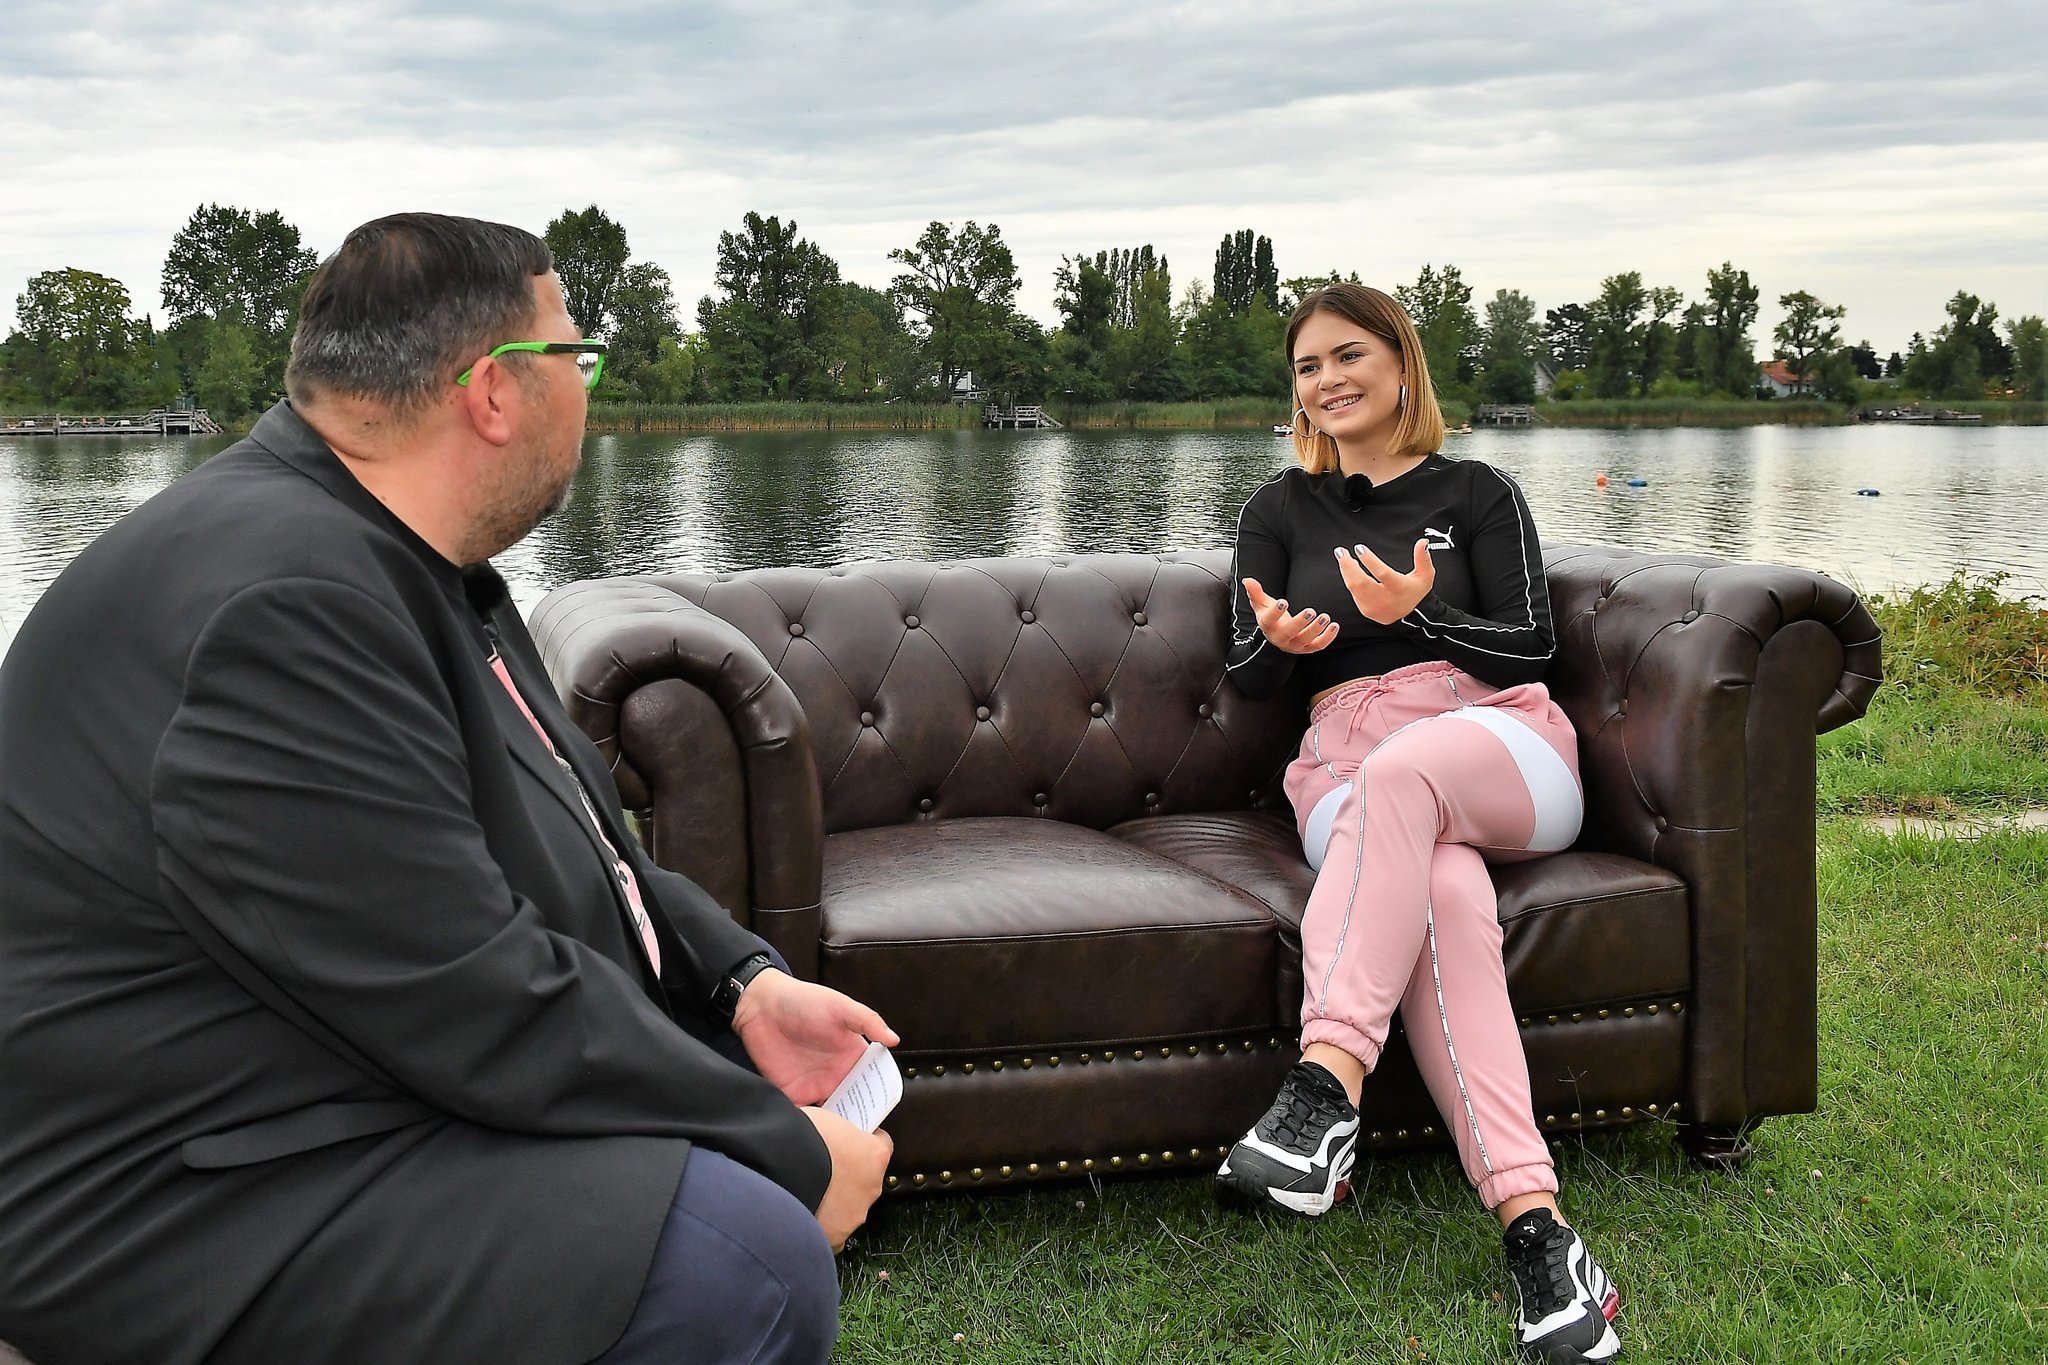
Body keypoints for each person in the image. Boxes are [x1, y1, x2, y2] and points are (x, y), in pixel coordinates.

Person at [0, 213, 894, 1365]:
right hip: (164, 1185)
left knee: (718, 1109)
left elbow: (578, 842)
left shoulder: (405, 561)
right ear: (492, 393)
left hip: (305, 1070)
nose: (590, 387)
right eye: (575, 356)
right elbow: (466, 991)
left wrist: (739, 987)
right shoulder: (283, 606)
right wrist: (787, 1149)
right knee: (740, 1261)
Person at [1213, 284, 1622, 1364]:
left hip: (1491, 739)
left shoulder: (1478, 492)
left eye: (1346, 356)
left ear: (1401, 364)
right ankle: (1539, 1235)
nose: (1325, 381)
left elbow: (1530, 647)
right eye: (1305, 368)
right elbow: (1246, 675)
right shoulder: (1277, 510)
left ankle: (1324, 1086)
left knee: (1409, 773)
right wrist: (1286, 645)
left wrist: (1423, 616)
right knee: (1441, 889)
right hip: (1345, 757)